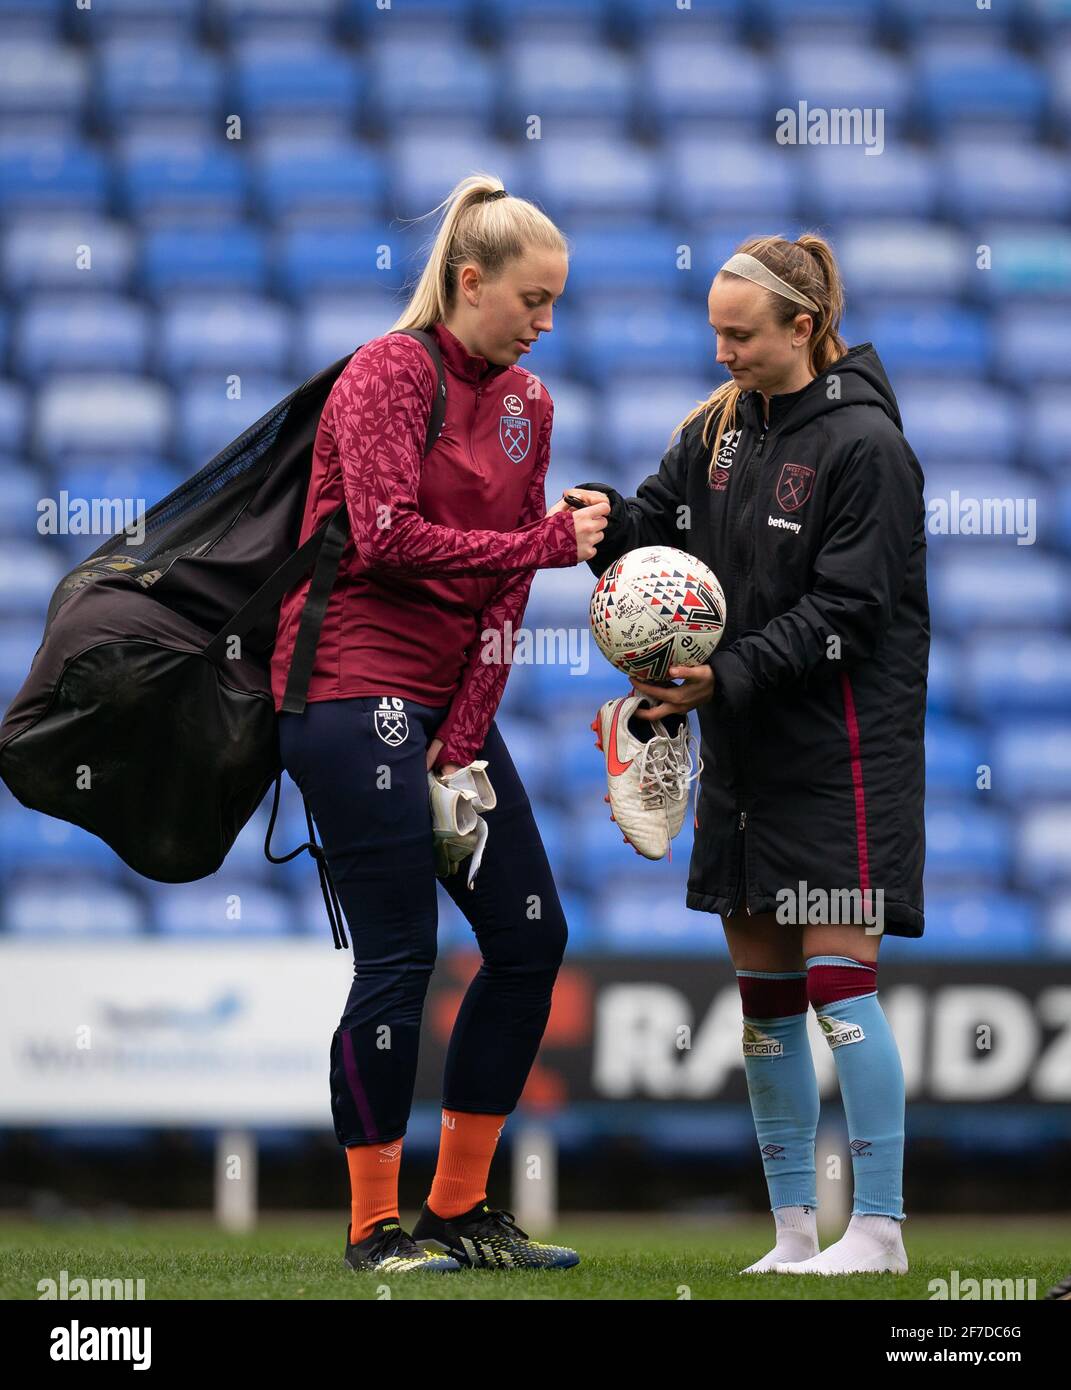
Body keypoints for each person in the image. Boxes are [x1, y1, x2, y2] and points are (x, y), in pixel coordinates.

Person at [568, 233, 929, 1275]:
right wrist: (603, 523)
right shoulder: (715, 431)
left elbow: (849, 612)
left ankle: (880, 1229)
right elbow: (655, 531)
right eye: (715, 332)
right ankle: (792, 1233)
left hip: (840, 756)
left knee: (839, 990)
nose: (720, 352)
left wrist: (722, 676)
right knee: (765, 1002)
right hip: (742, 756)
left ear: (802, 328)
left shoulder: (867, 446)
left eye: (739, 334)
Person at [271, 175, 608, 1273]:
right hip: (347, 686)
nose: (545, 322)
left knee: (531, 939)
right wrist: (542, 543)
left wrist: (461, 742)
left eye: (554, 303)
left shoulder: (530, 404)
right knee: (401, 955)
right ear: (471, 281)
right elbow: (384, 537)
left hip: (439, 703)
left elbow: (505, 593)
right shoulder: (387, 372)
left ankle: (460, 1211)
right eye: (532, 299)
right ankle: (374, 1229)